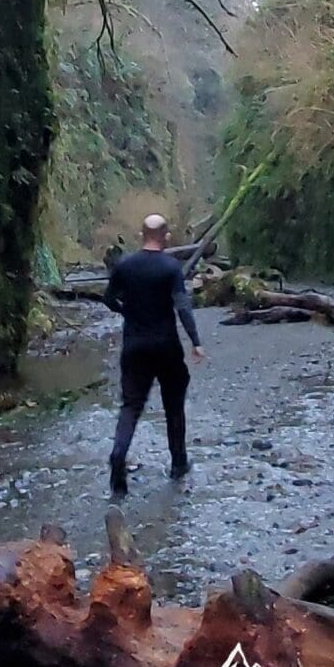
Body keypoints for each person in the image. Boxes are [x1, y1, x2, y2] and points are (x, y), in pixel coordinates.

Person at [102, 213, 206, 496]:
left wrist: (128, 312)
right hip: (166, 347)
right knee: (173, 404)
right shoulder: (171, 268)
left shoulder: (125, 265)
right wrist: (195, 341)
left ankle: (118, 457)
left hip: (134, 346)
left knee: (131, 405)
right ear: (166, 236)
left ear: (141, 234)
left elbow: (108, 298)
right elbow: (182, 306)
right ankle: (178, 463)